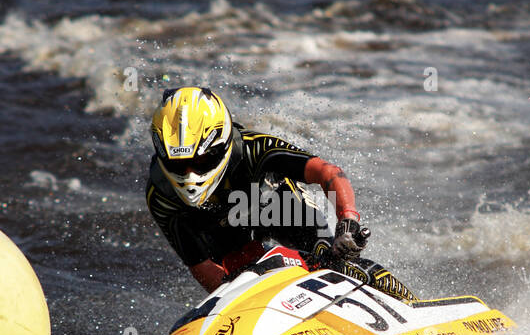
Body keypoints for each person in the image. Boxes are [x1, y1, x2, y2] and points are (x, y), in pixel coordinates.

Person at [145, 86, 416, 302]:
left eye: (202, 162)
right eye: (179, 165)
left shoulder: (255, 149)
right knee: (236, 284)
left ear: (222, 144)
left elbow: (329, 174)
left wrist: (348, 220)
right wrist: (234, 298)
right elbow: (201, 268)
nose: (191, 174)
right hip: (230, 238)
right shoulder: (160, 194)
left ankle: (407, 304)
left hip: (282, 209)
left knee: (333, 262)